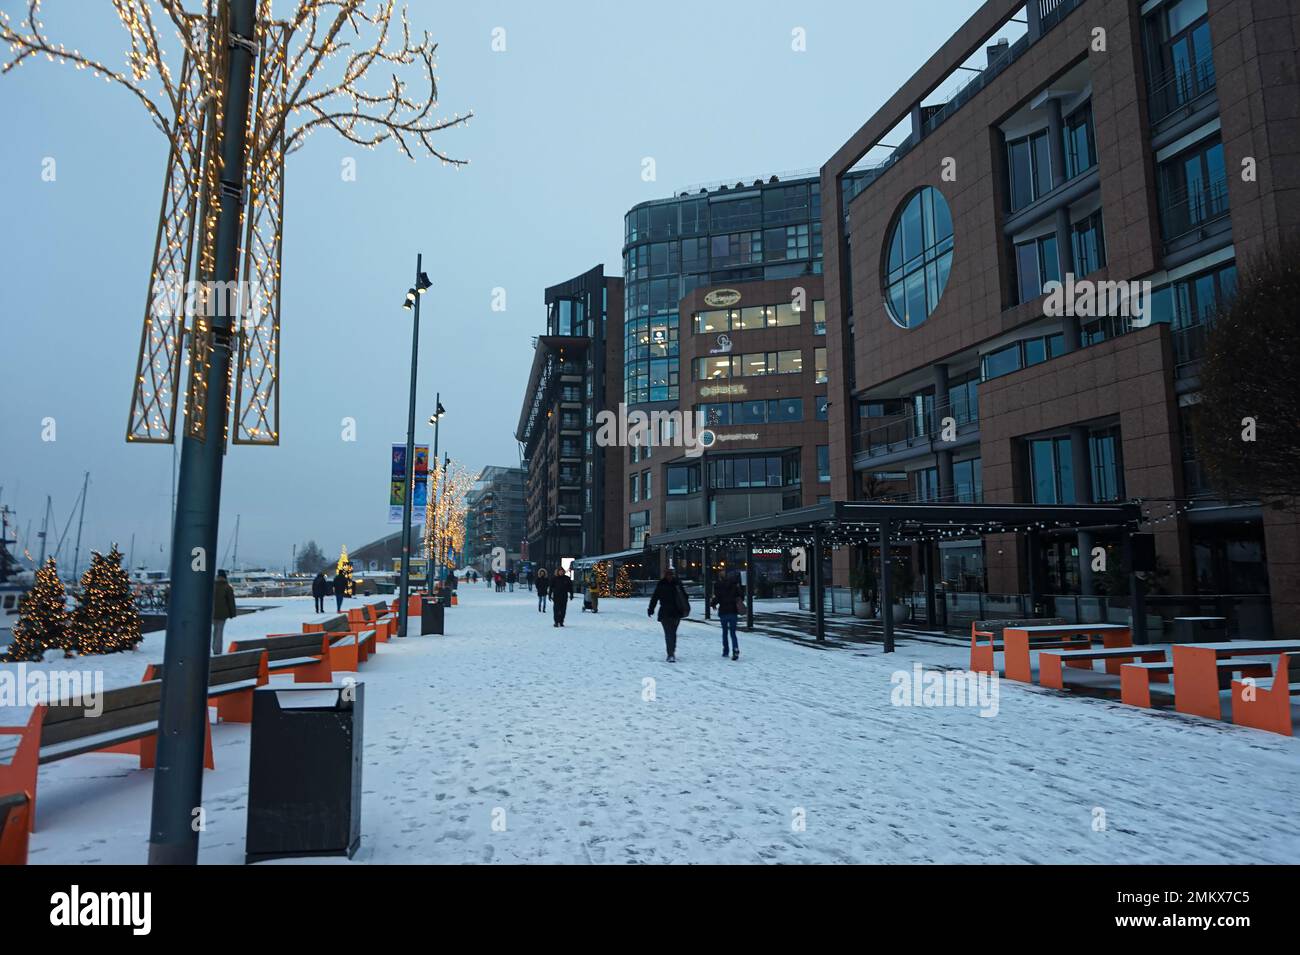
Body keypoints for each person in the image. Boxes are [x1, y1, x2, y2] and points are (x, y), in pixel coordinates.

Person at [648, 566, 689, 662]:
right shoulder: (675, 584)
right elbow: (655, 597)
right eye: (668, 574)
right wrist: (651, 608)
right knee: (670, 633)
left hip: (673, 612)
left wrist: (651, 608)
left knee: (671, 633)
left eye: (670, 574)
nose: (669, 576)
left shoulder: (667, 584)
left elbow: (655, 597)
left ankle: (671, 652)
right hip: (669, 613)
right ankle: (671, 653)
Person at [710, 569, 744, 661]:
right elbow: (741, 596)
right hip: (733, 611)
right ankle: (735, 648)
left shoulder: (719, 586)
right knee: (733, 632)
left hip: (724, 611)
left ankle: (726, 651)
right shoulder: (734, 585)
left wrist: (713, 604)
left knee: (725, 632)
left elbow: (717, 597)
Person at [212, 569, 237, 656]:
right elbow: (231, 602)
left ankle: (214, 646)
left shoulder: (213, 586)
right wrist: (232, 614)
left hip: (213, 613)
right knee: (220, 631)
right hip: (223, 614)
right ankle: (217, 649)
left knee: (215, 629)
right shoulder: (227, 587)